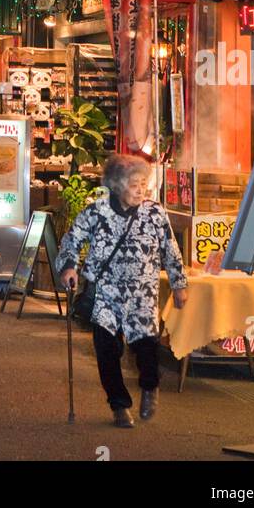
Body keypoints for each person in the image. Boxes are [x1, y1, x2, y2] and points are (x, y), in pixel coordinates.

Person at [57, 152, 188, 428]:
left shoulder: (155, 213)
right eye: (134, 184)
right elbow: (73, 239)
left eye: (143, 184)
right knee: (106, 351)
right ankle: (118, 404)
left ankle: (150, 388)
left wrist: (179, 284)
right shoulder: (96, 212)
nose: (141, 190)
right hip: (105, 295)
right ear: (117, 186)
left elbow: (170, 250)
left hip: (143, 296)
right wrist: (69, 267)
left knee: (147, 350)